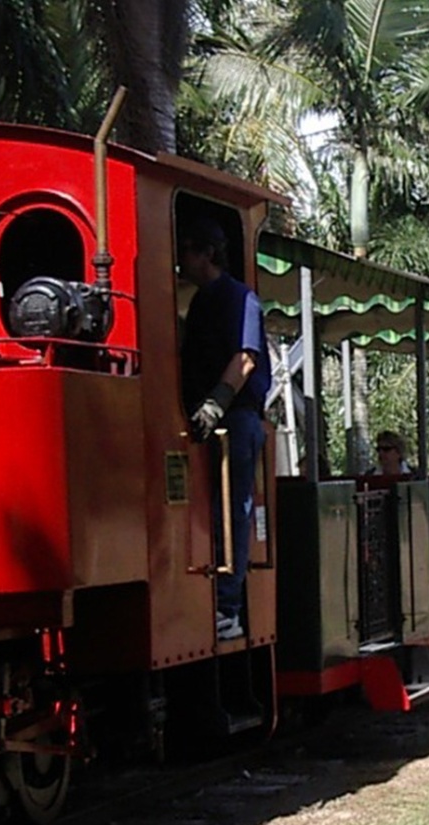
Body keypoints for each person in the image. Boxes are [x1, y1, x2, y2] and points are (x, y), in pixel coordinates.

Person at [178, 218, 271, 641]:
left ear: (207, 254)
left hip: (236, 417)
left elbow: (246, 358)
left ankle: (229, 608)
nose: (181, 260)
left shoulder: (241, 298)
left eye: (188, 251)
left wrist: (216, 402)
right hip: (201, 420)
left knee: (234, 509)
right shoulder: (198, 304)